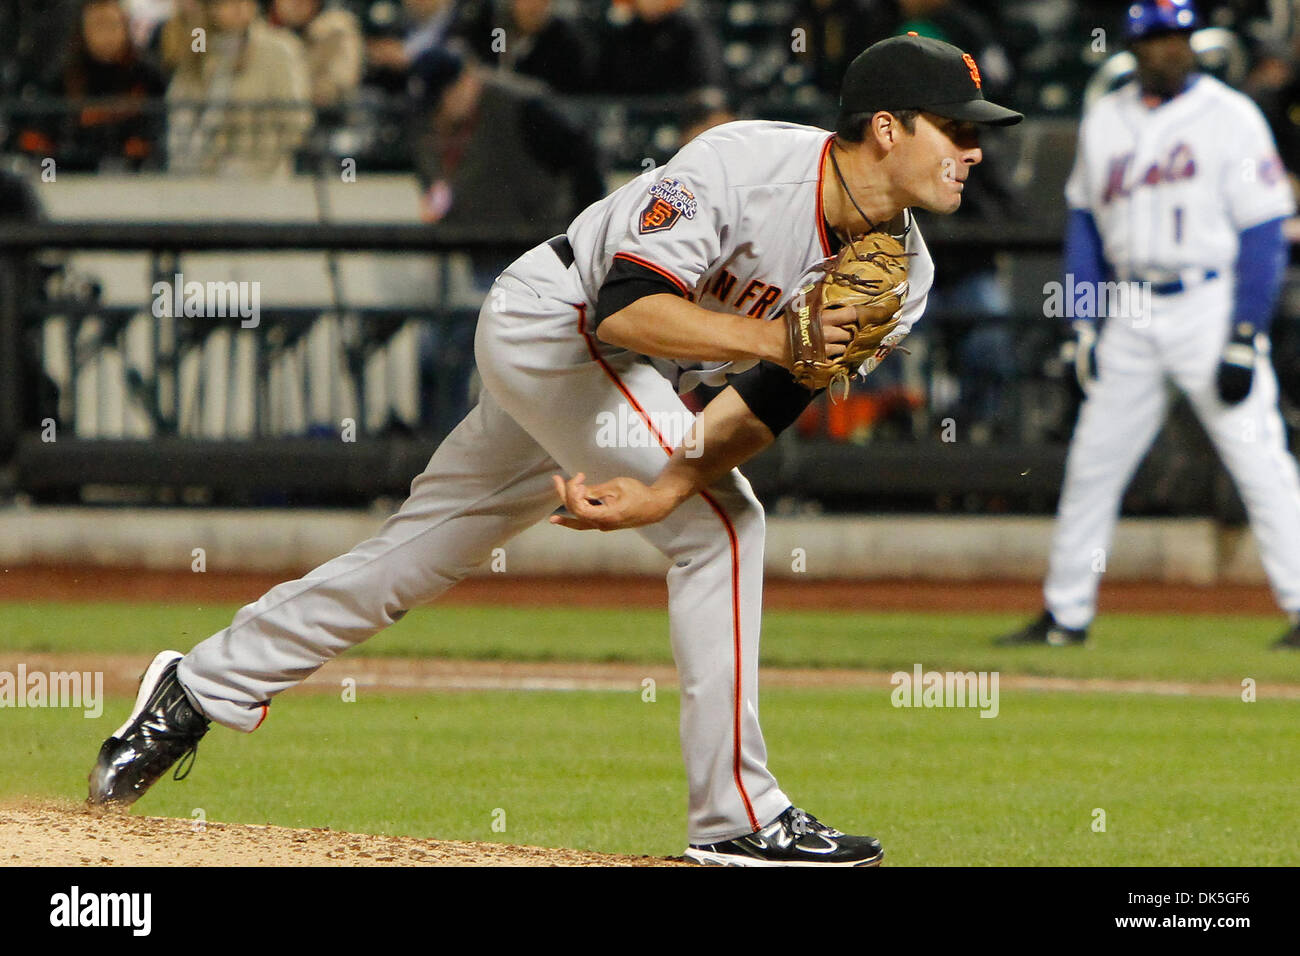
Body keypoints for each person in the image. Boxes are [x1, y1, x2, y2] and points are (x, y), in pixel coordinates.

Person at [88, 34, 1022, 865]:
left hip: (623, 383)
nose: (975, 148)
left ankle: (199, 684)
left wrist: (670, 486)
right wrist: (777, 344)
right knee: (729, 530)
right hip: (557, 324)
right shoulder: (745, 164)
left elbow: (765, 405)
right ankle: (738, 815)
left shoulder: (907, 276)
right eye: (956, 127)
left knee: (420, 555)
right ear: (888, 129)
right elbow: (629, 306)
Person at [997, 0, 1300, 650]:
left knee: (1259, 459)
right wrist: (1083, 322)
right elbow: (1082, 223)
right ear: (1134, 46)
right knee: (1092, 464)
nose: (1171, 49)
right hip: (1132, 312)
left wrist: (1246, 332)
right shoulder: (1106, 116)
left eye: (1179, 36)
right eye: (1158, 38)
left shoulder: (1231, 115)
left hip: (1209, 304)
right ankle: (1065, 615)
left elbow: (1264, 232)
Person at [164, 0, 313, 177]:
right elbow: (179, 111)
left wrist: (266, 156)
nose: (239, 8)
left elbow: (297, 118)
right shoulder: (198, 46)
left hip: (262, 176)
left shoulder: (279, 48)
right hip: (201, 175)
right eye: (227, 3)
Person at [16, 0, 167, 172]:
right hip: (72, 176)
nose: (106, 35)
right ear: (83, 30)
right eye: (98, 25)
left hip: (134, 180)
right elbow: (38, 137)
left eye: (112, 25)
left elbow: (155, 138)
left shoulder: (147, 76)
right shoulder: (63, 77)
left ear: (125, 27)